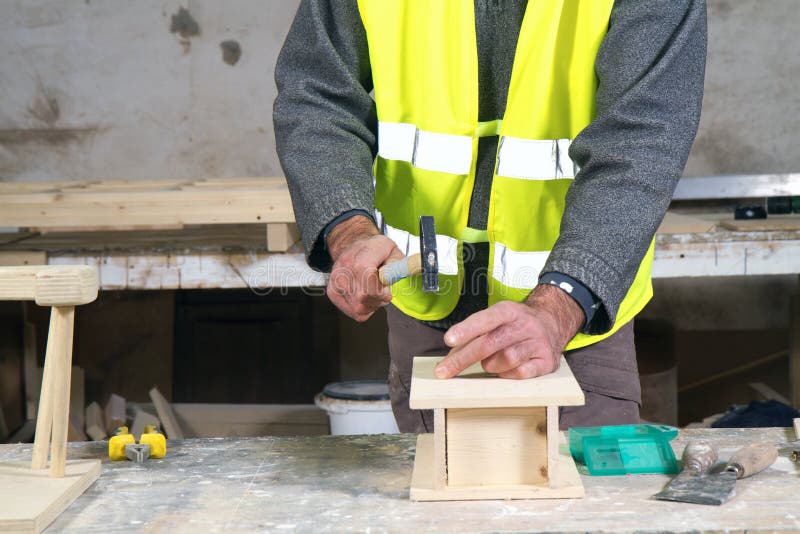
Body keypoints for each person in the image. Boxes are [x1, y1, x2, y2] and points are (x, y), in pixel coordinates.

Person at [274, 0, 706, 432]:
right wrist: (347, 230)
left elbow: (643, 140)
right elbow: (317, 93)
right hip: (427, 322)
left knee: (583, 494)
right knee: (438, 486)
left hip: (575, 327)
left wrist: (559, 306)